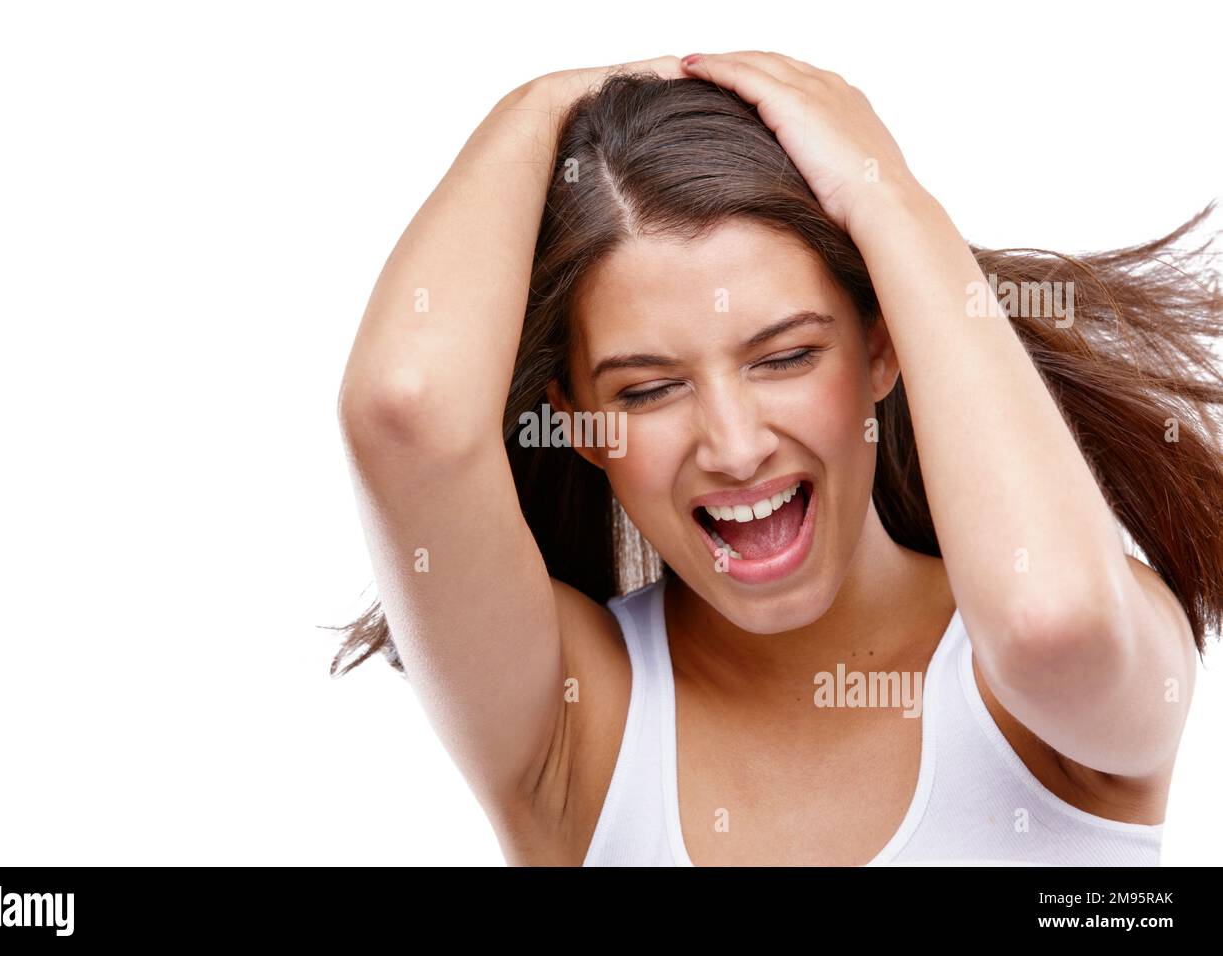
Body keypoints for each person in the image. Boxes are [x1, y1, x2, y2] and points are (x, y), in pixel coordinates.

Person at [334, 52, 1223, 865]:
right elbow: (406, 409)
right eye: (646, 391)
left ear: (884, 346)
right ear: (578, 426)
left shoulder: (1064, 676)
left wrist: (889, 200)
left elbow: (1050, 619)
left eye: (788, 356)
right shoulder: (576, 721)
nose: (734, 445)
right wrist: (543, 103)